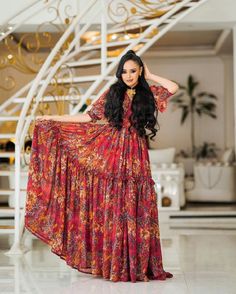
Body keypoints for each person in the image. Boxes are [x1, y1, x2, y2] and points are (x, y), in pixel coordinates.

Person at [25, 50, 179, 283]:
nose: (128, 75)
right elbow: (87, 118)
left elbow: (173, 88)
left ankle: (137, 265)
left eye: (133, 71)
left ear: (140, 72)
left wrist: (151, 74)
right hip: (113, 152)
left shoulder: (147, 93)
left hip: (136, 154)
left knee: (137, 205)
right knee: (116, 205)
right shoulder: (112, 92)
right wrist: (53, 120)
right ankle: (115, 264)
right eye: (124, 71)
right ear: (119, 73)